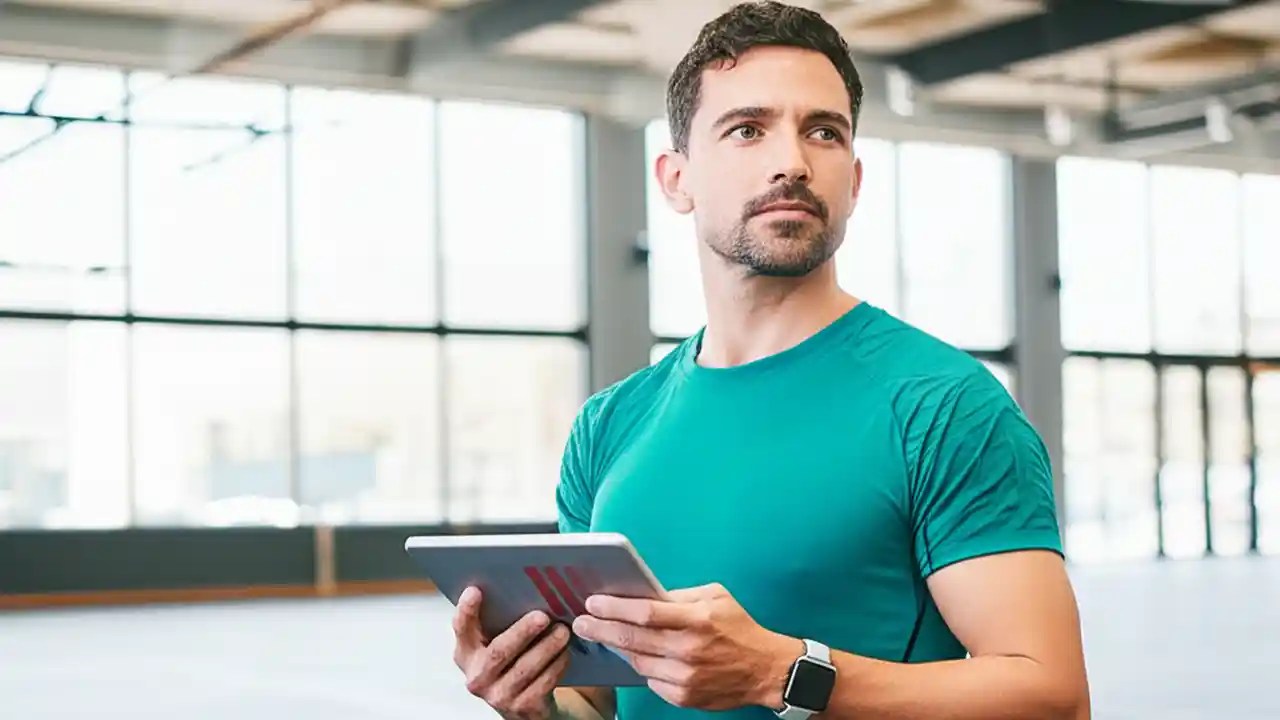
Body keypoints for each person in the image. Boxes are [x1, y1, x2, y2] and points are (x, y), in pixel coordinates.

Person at [449, 2, 1091, 719]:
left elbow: (1053, 699)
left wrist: (783, 673)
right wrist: (535, 706)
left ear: (852, 180)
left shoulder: (945, 408)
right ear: (675, 179)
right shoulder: (608, 426)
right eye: (748, 130)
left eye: (822, 132)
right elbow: (600, 699)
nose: (791, 162)